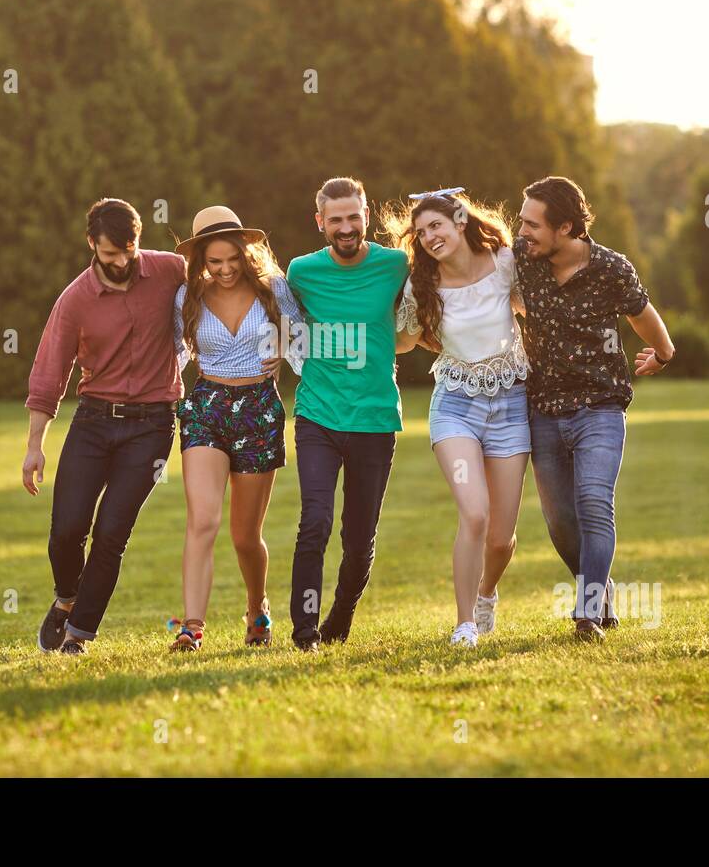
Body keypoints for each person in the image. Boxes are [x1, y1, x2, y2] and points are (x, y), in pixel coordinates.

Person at [512, 176, 675, 643]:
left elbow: (642, 314)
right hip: (542, 407)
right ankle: (600, 596)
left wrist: (663, 353)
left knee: (594, 503)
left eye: (532, 224)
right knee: (560, 521)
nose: (522, 232)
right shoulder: (523, 260)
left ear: (566, 227)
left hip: (600, 407)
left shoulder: (611, 268)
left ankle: (585, 614)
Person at [24, 199, 185, 655]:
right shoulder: (75, 300)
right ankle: (66, 599)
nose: (121, 262)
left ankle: (79, 634)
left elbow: (221, 279)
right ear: (92, 244)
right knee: (67, 528)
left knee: (112, 531)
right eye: (111, 253)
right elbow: (48, 375)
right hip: (93, 421)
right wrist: (35, 446)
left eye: (129, 250)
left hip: (153, 424)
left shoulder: (170, 269)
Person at [386, 187, 530, 648]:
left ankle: (487, 594)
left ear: (460, 221)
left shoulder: (506, 264)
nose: (429, 237)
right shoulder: (420, 286)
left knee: (501, 540)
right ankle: (465, 622)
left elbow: (540, 311)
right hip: (455, 407)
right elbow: (405, 341)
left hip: (511, 406)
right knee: (474, 514)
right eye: (421, 231)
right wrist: (347, 334)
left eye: (436, 226)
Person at [167, 205, 304, 651]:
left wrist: (283, 346)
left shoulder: (275, 289)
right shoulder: (186, 296)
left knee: (245, 536)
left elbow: (303, 342)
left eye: (232, 259)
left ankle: (257, 606)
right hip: (207, 405)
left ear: (247, 253)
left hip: (259, 408)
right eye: (214, 262)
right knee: (202, 521)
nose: (224, 270)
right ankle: (191, 628)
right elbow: (173, 355)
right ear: (201, 260)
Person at [285, 177, 409, 651]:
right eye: (335, 219)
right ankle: (304, 630)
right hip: (318, 415)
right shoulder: (301, 272)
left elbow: (443, 284)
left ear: (366, 216)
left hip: (375, 420)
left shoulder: (394, 264)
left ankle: (341, 615)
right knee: (314, 521)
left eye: (353, 217)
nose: (345, 227)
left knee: (359, 538)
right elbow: (272, 312)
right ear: (320, 223)